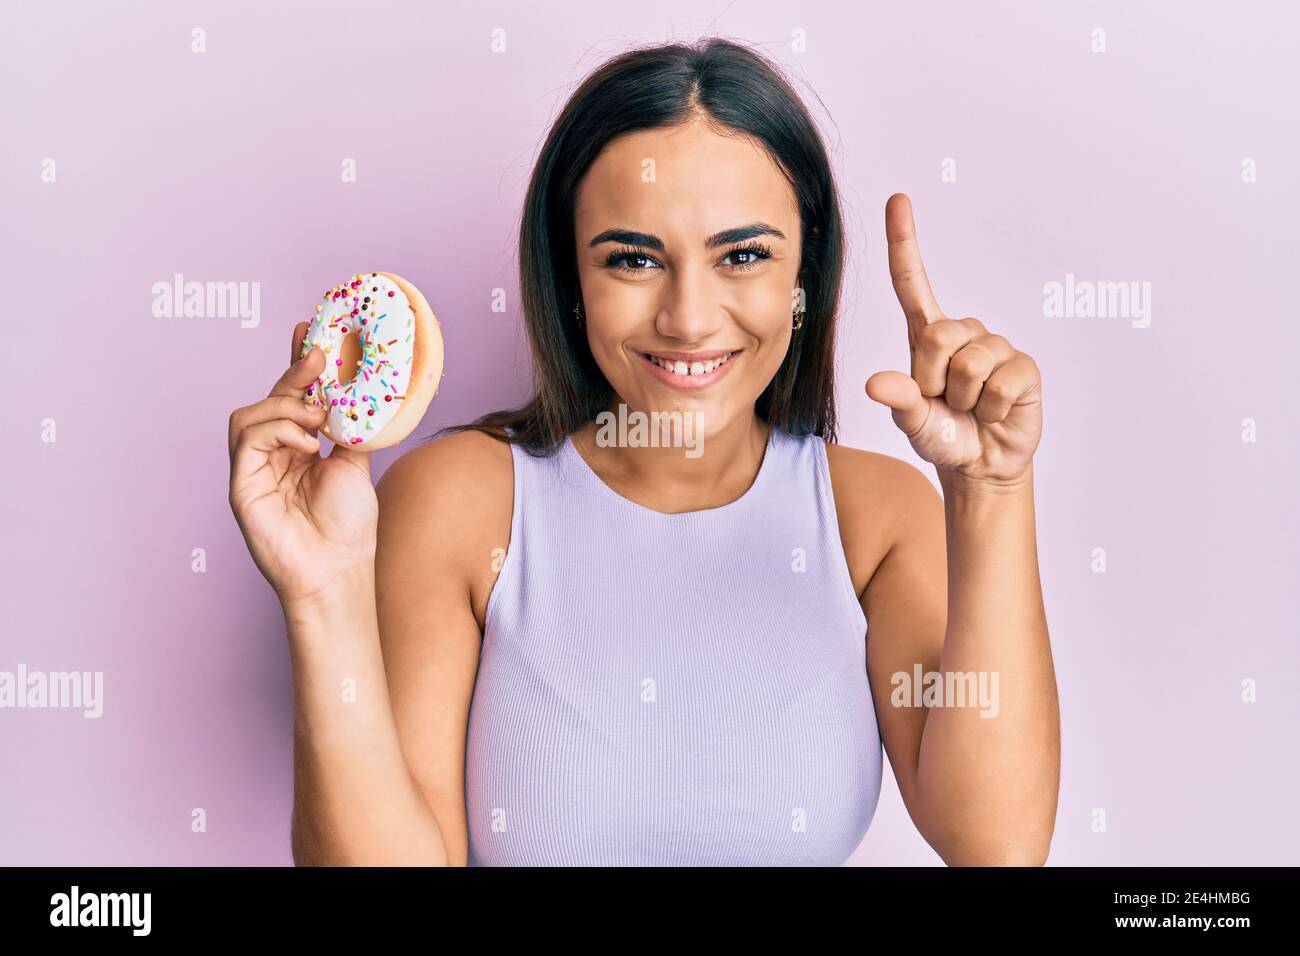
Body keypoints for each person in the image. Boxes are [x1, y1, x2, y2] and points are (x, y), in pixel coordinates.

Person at [228, 38, 1059, 866]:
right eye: (632, 259)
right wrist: (323, 597)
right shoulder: (460, 500)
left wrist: (992, 491)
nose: (689, 318)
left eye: (744, 255)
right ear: (570, 280)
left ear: (805, 275)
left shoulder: (875, 519)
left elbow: (997, 845)